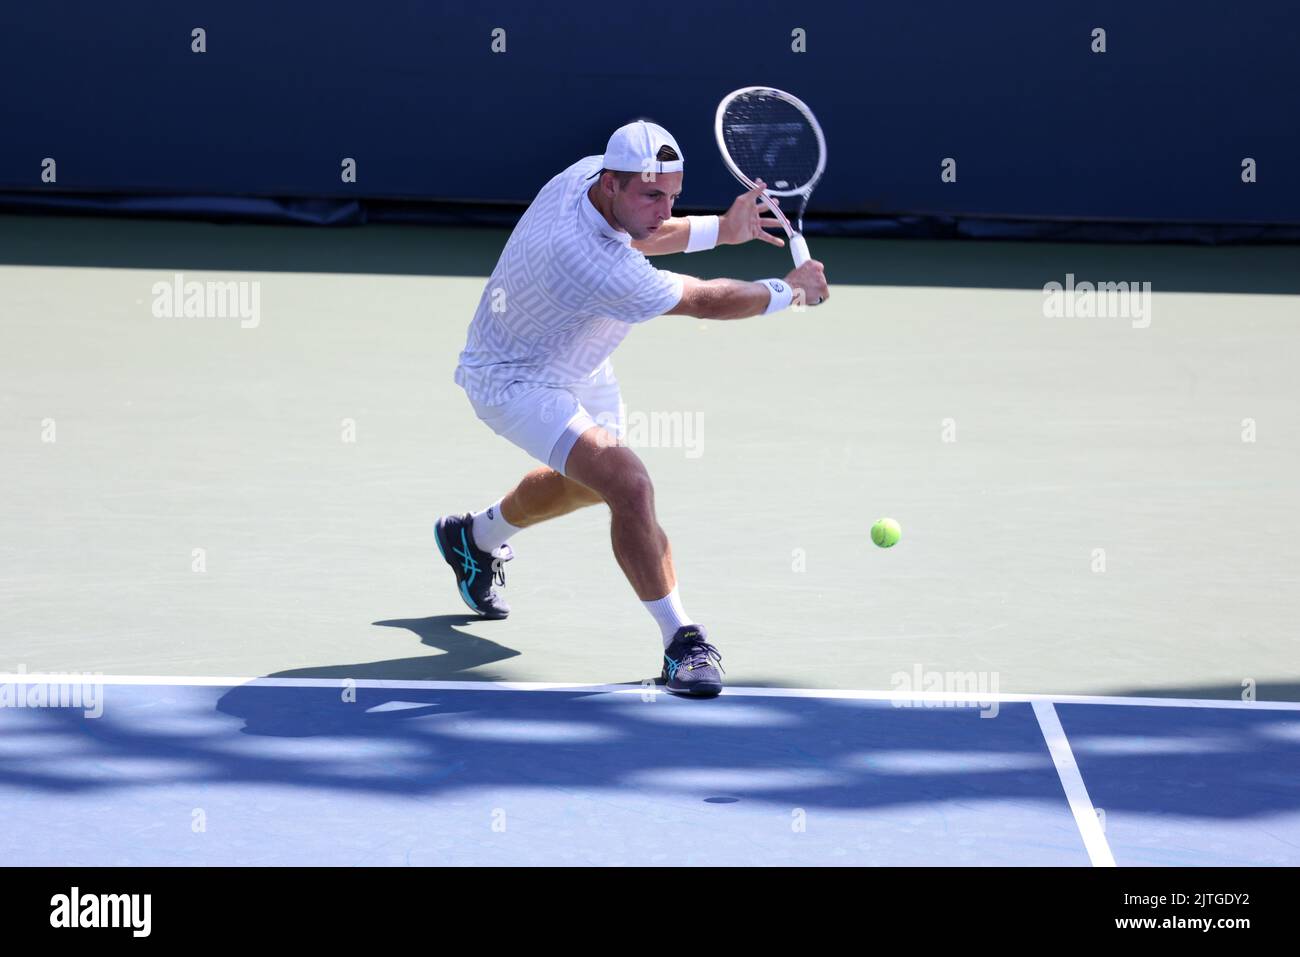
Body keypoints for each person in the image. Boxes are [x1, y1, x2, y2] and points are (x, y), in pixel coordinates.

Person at [436, 120, 829, 697]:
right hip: (514, 378)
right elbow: (705, 301)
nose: (665, 209)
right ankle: (682, 643)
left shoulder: (585, 176)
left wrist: (723, 229)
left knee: (588, 486)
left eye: (673, 195)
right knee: (628, 483)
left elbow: (643, 231)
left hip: (579, 352)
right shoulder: (589, 261)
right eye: (652, 195)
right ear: (612, 183)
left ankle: (474, 537)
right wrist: (789, 291)